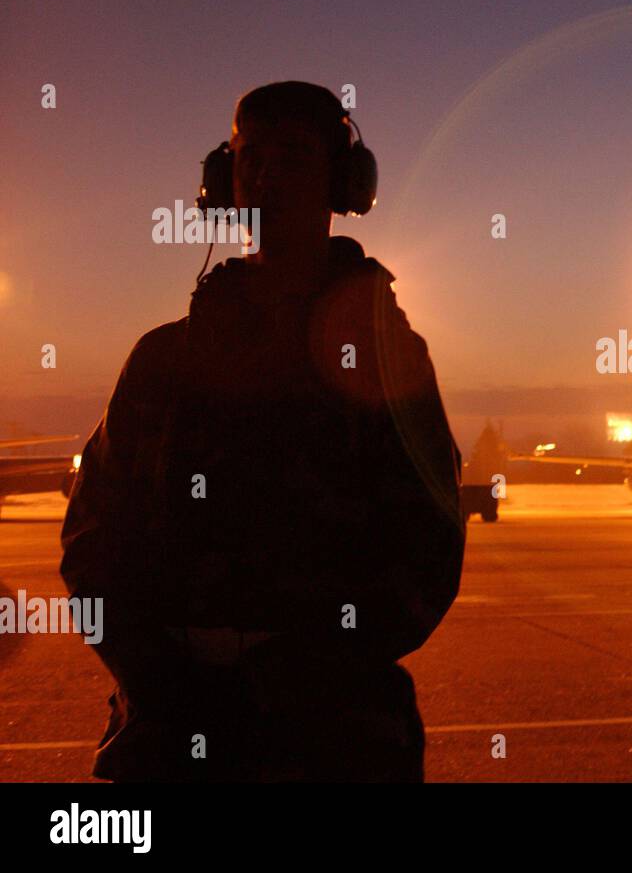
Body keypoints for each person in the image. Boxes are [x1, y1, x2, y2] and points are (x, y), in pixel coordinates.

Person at [60, 81, 464, 781]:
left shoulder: (388, 356)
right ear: (226, 180)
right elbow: (93, 536)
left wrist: (308, 671)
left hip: (337, 739)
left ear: (342, 183)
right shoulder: (164, 357)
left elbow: (429, 545)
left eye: (297, 156)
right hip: (169, 732)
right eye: (254, 159)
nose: (270, 176)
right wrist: (154, 674)